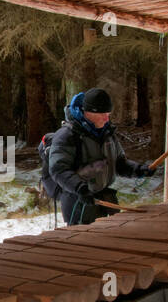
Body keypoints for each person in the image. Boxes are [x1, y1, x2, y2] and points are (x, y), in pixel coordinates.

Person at [46, 88, 156, 225]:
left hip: (106, 200)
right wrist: (80, 188)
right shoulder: (67, 135)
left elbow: (119, 163)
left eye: (108, 114)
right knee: (84, 243)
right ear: (87, 112)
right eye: (102, 114)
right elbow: (58, 169)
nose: (106, 118)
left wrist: (139, 170)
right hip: (79, 202)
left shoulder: (107, 133)